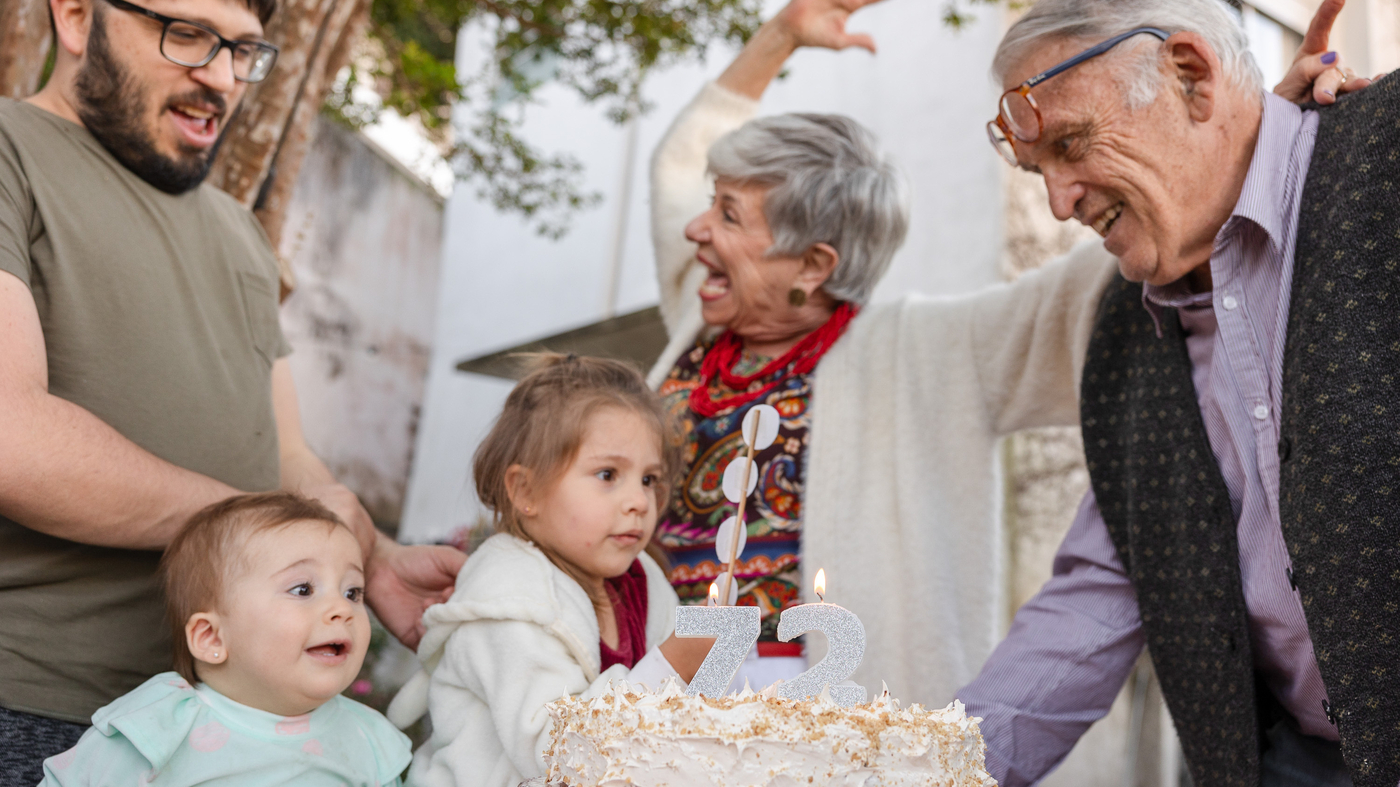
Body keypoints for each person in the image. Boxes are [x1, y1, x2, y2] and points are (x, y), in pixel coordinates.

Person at [644, 0, 1352, 710]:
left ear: (812, 264)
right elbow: (676, 166)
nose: (698, 230)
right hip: (655, 682)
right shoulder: (698, 325)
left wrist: (1245, 137)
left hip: (819, 713)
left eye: (729, 214)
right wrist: (779, 37)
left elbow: (1145, 240)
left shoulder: (927, 352)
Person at [0, 0, 464, 779]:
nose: (221, 78)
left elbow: (285, 453)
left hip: (242, 729)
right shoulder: (12, 151)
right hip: (38, 712)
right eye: (187, 35)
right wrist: (254, 534)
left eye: (243, 51)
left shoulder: (239, 231)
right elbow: (12, 436)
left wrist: (369, 555)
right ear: (77, 17)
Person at [956, 0, 1397, 785]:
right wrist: (925, 767)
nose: (1058, 203)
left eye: (1070, 144)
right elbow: (1105, 586)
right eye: (1035, 172)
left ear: (1191, 76)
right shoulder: (1126, 326)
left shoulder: (1385, 156)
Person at [386, 356, 715, 787]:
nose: (639, 500)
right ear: (526, 490)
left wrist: (713, 658)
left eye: (649, 480)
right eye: (608, 474)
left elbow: (692, 718)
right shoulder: (511, 604)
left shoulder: (642, 582)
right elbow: (562, 755)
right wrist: (672, 665)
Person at [37, 492, 412, 786]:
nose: (342, 609)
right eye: (302, 589)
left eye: (353, 592)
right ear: (211, 637)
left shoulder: (367, 740)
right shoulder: (161, 727)